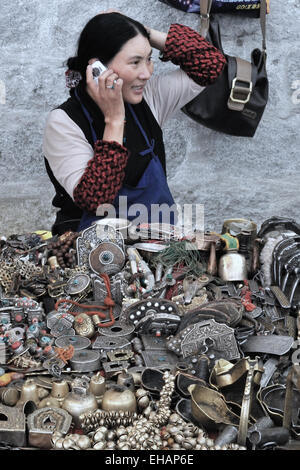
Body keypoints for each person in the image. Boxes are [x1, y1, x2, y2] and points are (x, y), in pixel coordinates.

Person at [43, 11, 226, 235]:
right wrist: (114, 119)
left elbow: (211, 63)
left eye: (149, 59)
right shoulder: (63, 122)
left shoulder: (150, 98)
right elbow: (96, 200)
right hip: (89, 256)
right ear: (98, 68)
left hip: (156, 248)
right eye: (135, 62)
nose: (147, 73)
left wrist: (141, 31)